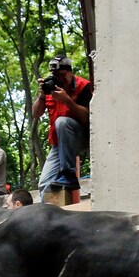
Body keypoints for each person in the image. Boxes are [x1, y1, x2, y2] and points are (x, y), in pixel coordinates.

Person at [33, 55, 92, 198]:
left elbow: (87, 117)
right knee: (45, 184)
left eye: (62, 75)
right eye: (56, 76)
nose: (59, 79)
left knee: (62, 122)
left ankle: (68, 174)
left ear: (70, 72)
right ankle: (47, 211)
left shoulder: (83, 85)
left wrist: (67, 101)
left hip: (80, 137)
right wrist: (42, 96)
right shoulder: (50, 88)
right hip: (59, 144)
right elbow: (36, 114)